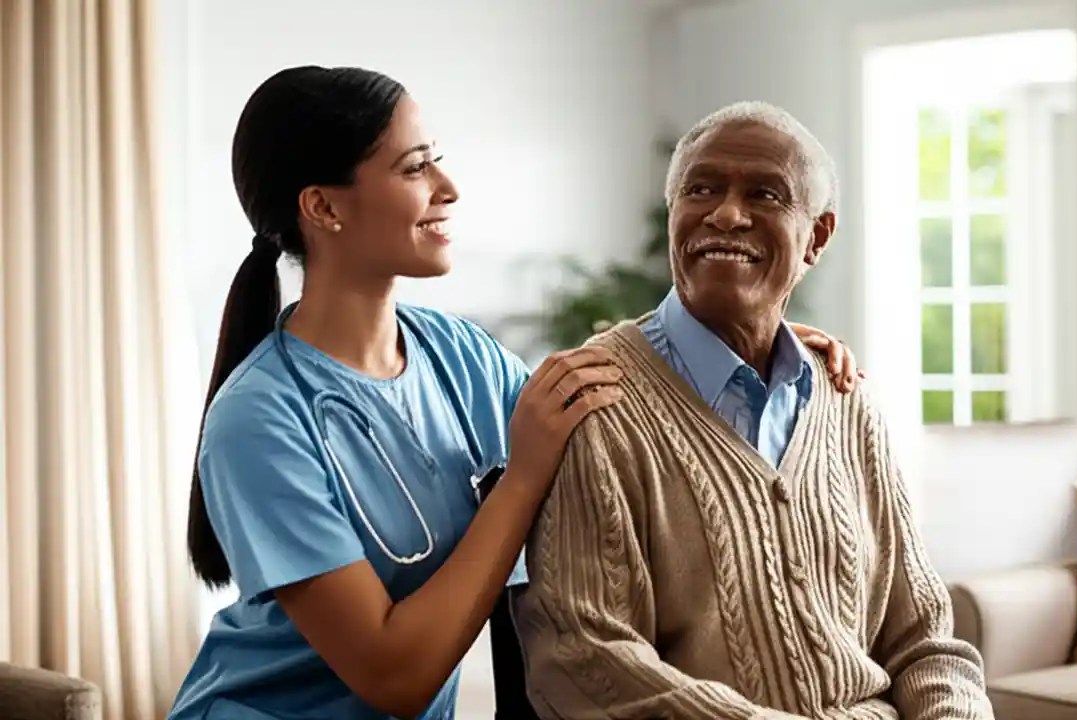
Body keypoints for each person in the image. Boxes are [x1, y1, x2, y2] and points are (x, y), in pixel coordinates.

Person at [168, 67, 862, 720]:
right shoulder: (257, 420)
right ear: (323, 207)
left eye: (436, 158)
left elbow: (611, 406)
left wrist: (754, 335)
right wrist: (521, 479)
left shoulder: (458, 355)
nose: (448, 186)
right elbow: (394, 677)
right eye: (414, 167)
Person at [513, 101, 995, 719]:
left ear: (816, 237)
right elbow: (587, 664)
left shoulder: (847, 401)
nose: (725, 214)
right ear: (674, 214)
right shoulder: (596, 405)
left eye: (765, 194)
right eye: (701, 188)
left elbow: (926, 640)